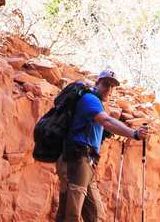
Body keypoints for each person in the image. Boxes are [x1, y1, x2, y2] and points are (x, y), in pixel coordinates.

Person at [56, 68, 149, 222]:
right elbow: (106, 121)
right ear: (97, 83)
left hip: (87, 162)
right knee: (71, 213)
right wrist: (133, 134)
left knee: (96, 213)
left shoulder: (96, 103)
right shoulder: (90, 99)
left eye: (113, 86)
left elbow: (103, 124)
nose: (109, 89)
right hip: (77, 159)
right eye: (106, 84)